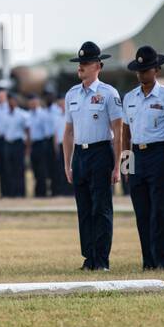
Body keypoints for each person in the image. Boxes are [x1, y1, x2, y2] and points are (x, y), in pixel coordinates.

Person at [122, 45, 164, 270]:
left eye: (146, 69)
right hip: (137, 156)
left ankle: (162, 260)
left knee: (159, 211)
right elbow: (125, 133)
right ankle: (147, 261)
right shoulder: (130, 98)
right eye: (139, 69)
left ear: (157, 69)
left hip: (160, 154)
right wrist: (126, 166)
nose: (142, 73)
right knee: (142, 211)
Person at [62, 41, 124, 271]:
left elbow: (118, 132)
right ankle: (89, 258)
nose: (81, 67)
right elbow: (68, 132)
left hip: (101, 152)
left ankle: (102, 260)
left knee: (101, 208)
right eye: (80, 63)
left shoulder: (108, 93)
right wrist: (67, 164)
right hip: (80, 154)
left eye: (86, 63)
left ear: (98, 66)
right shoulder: (72, 94)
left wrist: (118, 166)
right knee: (84, 209)